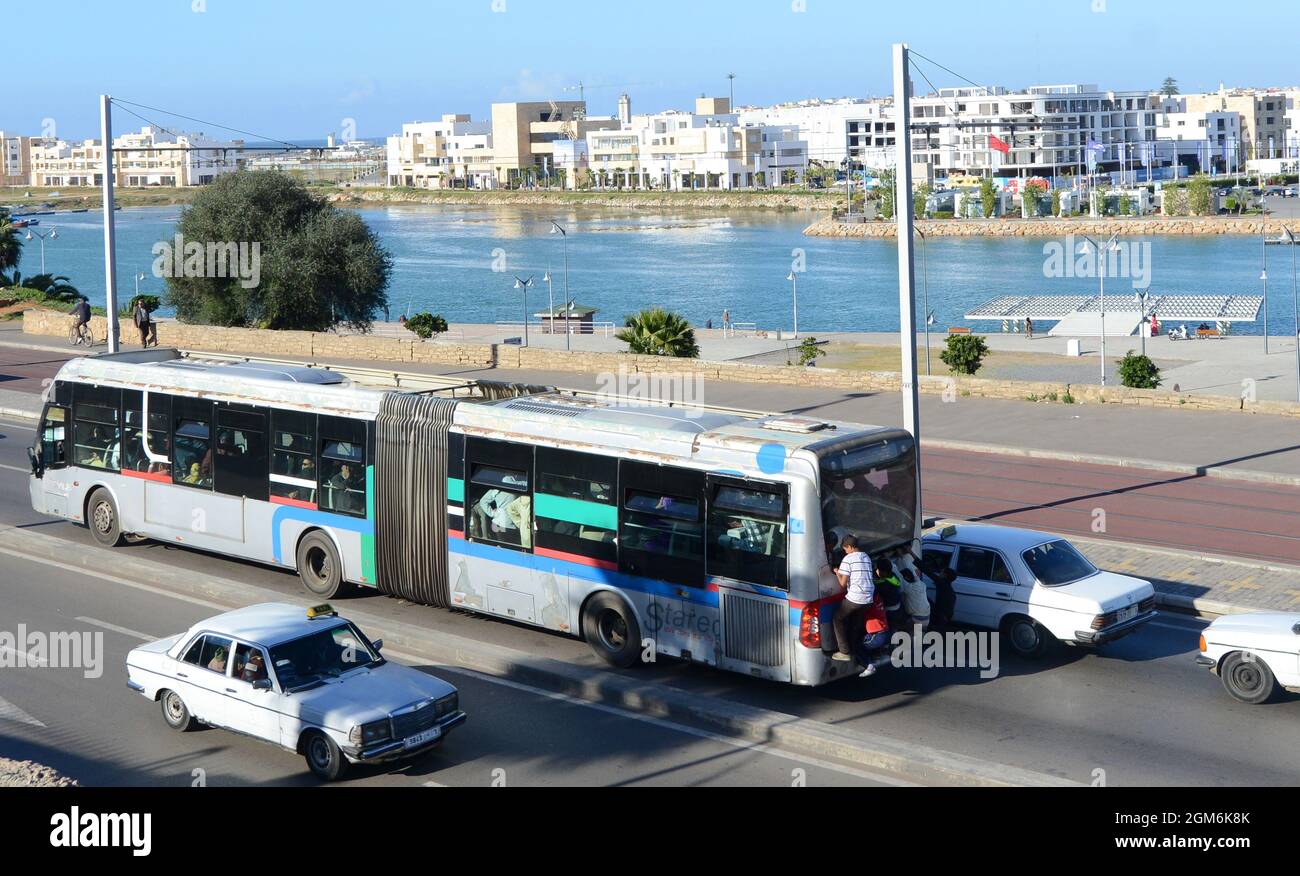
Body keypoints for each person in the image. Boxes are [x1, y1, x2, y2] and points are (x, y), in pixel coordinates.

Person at [832, 535, 874, 662]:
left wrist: (837, 572)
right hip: (869, 598)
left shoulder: (848, 559)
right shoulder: (866, 556)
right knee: (855, 622)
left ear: (849, 547)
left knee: (837, 618)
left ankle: (844, 651)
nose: (845, 551)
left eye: (845, 549)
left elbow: (843, 584)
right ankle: (854, 648)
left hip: (855, 598)